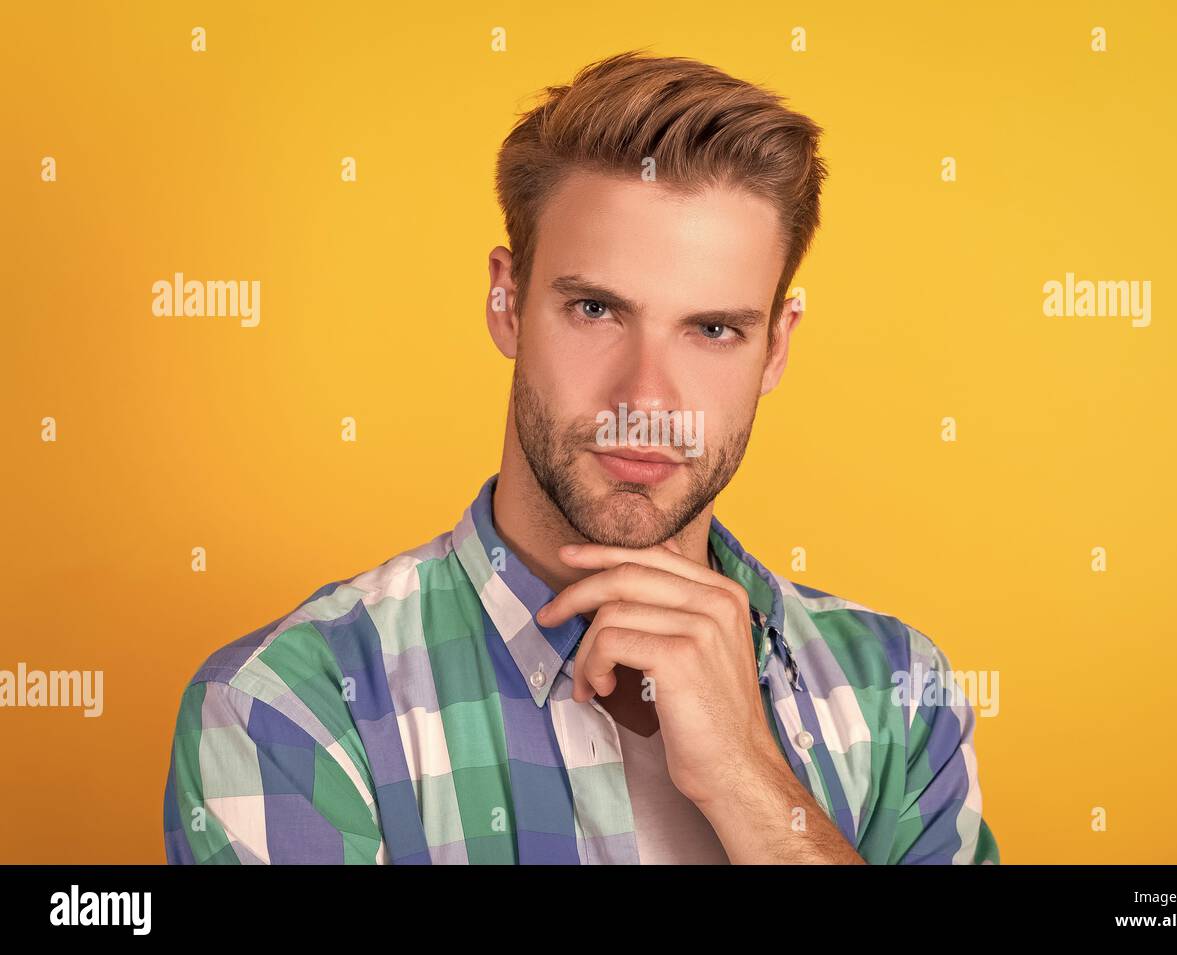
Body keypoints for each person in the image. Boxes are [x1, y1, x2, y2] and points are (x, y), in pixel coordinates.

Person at [163, 50, 999, 865]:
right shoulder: (287, 708)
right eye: (596, 309)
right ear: (507, 302)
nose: (648, 400)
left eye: (713, 330)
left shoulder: (900, 693)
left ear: (775, 348)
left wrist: (750, 777)